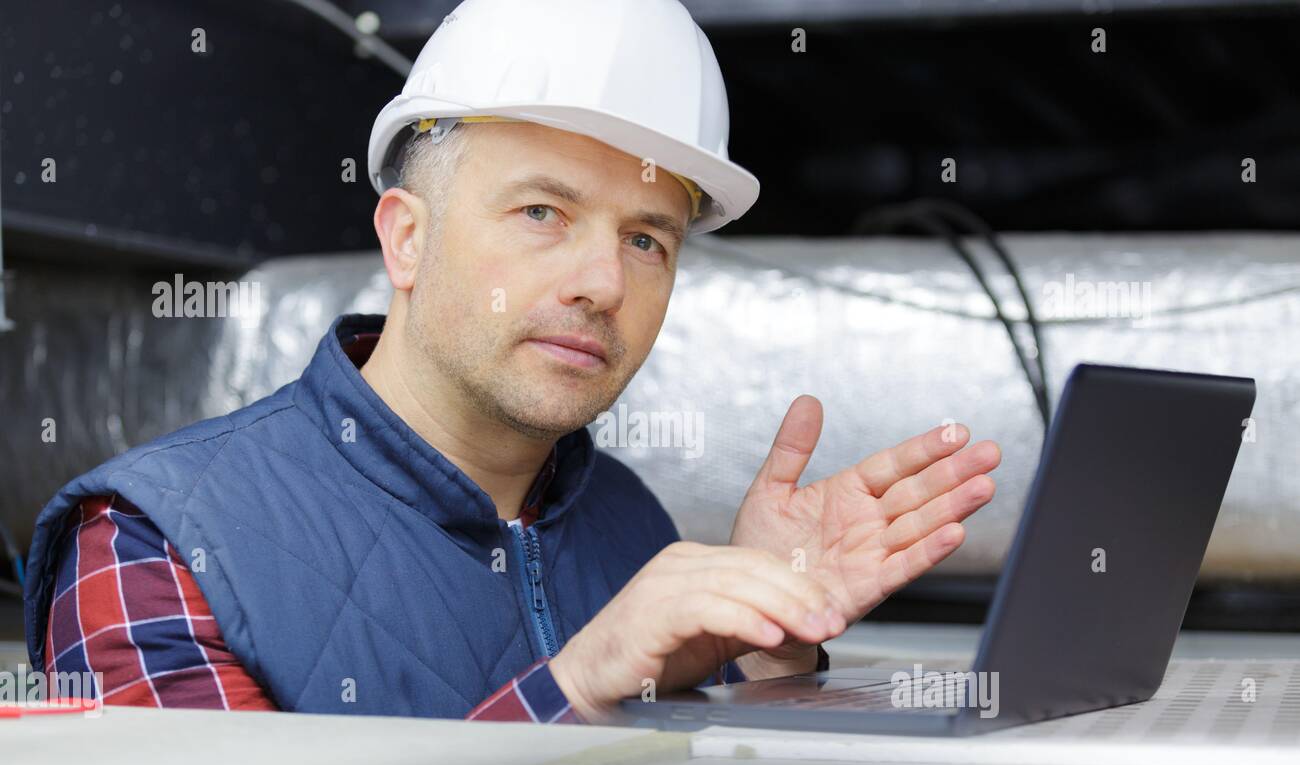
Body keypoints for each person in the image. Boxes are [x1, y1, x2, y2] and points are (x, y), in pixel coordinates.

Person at [24, 0, 1000, 724]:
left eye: (647, 239)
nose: (602, 283)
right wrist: (574, 684)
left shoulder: (630, 527)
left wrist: (766, 651)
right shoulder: (152, 545)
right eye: (544, 212)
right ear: (406, 239)